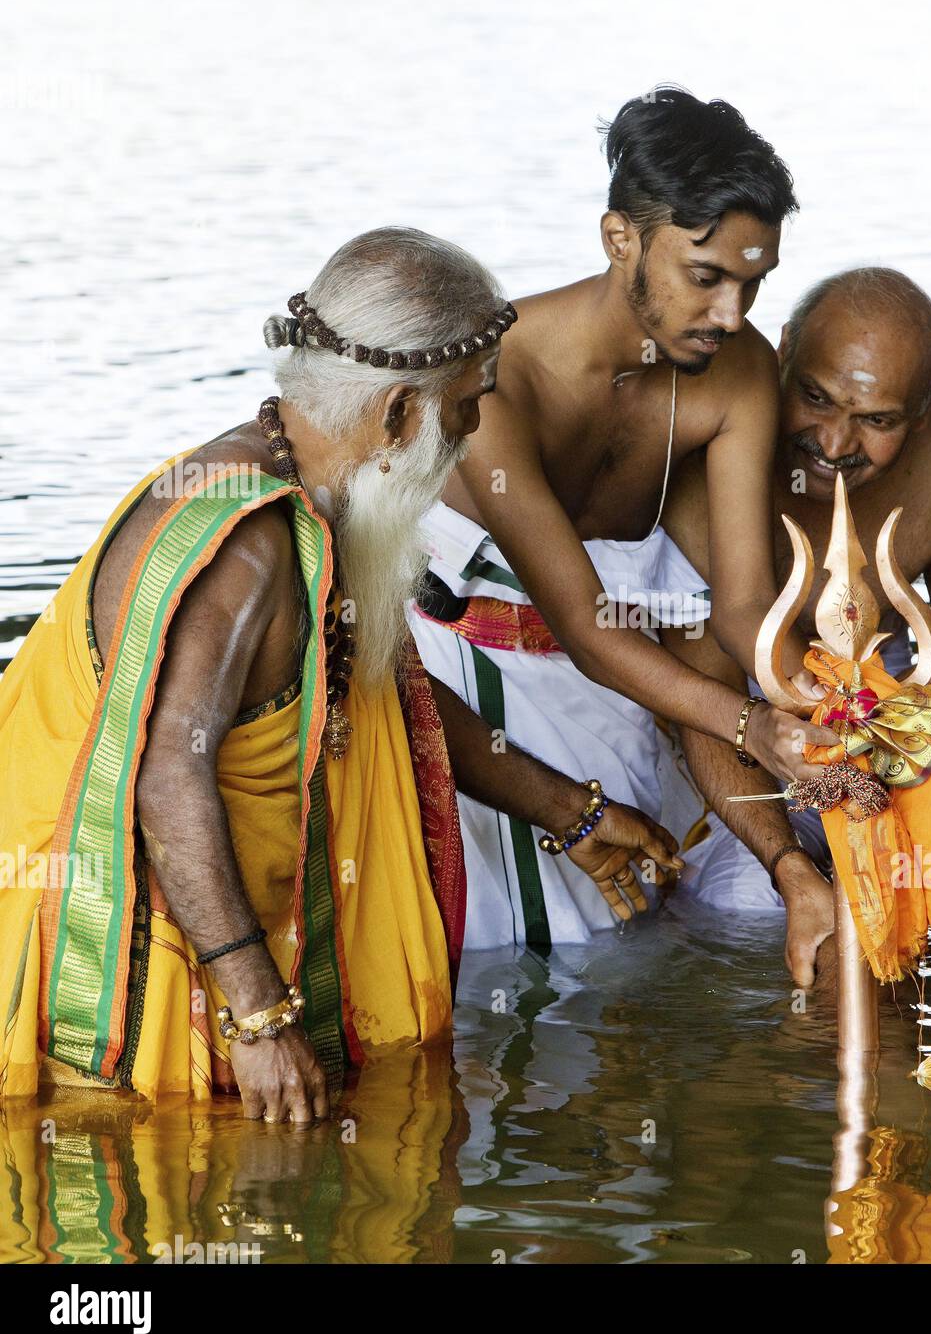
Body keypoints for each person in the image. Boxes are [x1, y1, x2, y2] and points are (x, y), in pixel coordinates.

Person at [0, 228, 679, 1116]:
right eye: (468, 403)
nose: (474, 431)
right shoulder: (243, 548)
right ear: (398, 412)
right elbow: (167, 773)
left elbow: (386, 692)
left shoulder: (312, 500)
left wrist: (571, 814)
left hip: (219, 958)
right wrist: (257, 1018)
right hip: (124, 988)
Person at [408, 87, 836, 951]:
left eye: (754, 285)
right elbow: (584, 624)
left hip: (633, 696)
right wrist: (756, 726)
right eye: (706, 278)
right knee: (490, 960)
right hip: (470, 695)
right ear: (620, 239)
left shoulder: (741, 370)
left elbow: (745, 608)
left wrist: (832, 708)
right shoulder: (499, 374)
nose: (732, 316)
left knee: (639, 963)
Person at [657, 268, 931, 979]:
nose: (834, 443)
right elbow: (701, 694)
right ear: (781, 359)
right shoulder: (711, 446)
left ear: (921, 417)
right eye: (815, 398)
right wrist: (788, 866)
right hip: (741, 731)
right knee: (741, 913)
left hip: (892, 721)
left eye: (878, 420)